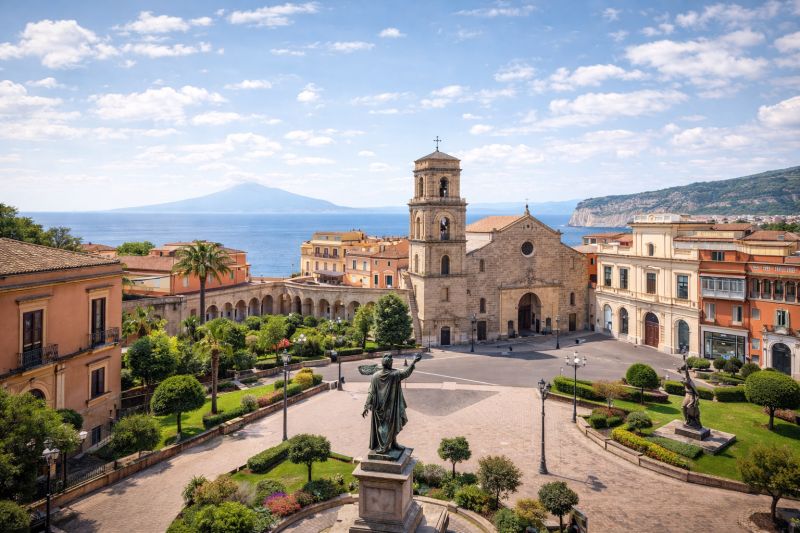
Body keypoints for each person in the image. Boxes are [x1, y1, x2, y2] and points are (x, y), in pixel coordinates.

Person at [362, 353, 422, 455]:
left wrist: (366, 406)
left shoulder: (375, 376)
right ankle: (384, 448)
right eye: (391, 361)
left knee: (390, 426)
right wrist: (414, 362)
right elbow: (406, 373)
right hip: (390, 407)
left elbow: (371, 392)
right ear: (389, 364)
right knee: (385, 427)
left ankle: (393, 443)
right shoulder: (394, 375)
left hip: (379, 407)